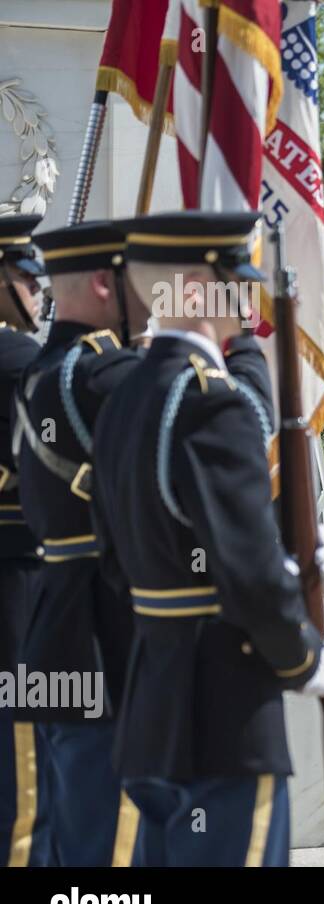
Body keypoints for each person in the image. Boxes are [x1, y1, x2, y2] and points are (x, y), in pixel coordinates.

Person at [91, 211, 324, 866]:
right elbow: (251, 575)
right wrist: (307, 656)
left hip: (153, 702)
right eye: (241, 279)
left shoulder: (123, 394)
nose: (251, 296)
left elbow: (114, 557)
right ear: (204, 287)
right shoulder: (214, 402)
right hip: (226, 711)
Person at [12, 221, 146, 866]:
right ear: (104, 283)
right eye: (136, 281)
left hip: (49, 623)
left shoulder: (40, 370)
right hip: (106, 632)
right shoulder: (102, 377)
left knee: (54, 817)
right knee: (107, 841)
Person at [0, 214, 50, 866]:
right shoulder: (23, 362)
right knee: (22, 753)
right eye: (28, 281)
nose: (40, 295)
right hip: (18, 574)